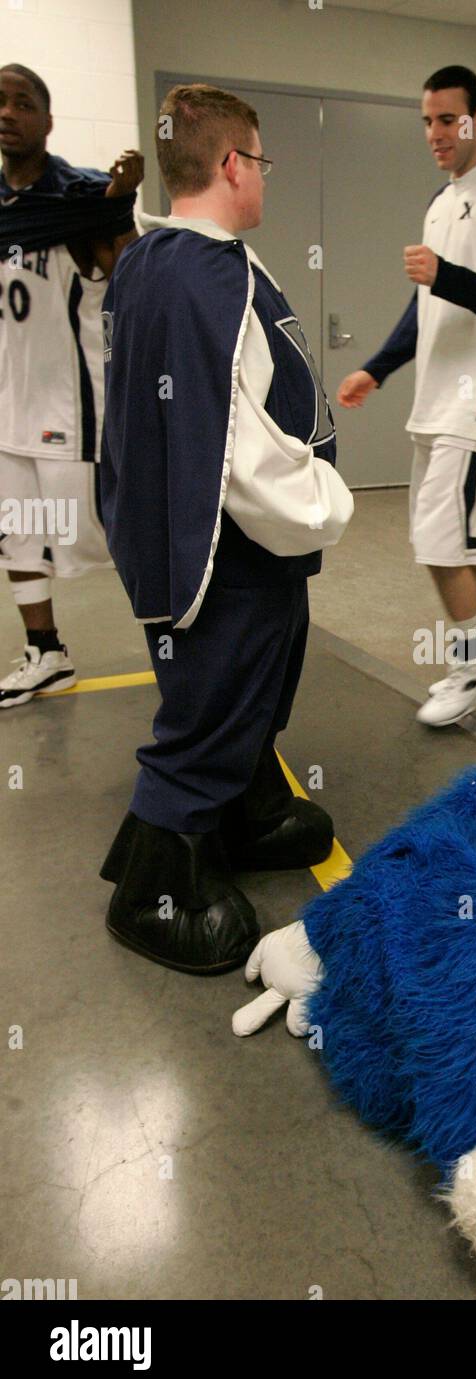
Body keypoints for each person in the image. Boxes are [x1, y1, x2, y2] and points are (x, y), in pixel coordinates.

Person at [97, 83, 353, 975]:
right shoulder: (213, 278)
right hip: (231, 548)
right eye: (263, 163)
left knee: (250, 692)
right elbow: (234, 450)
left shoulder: (153, 261)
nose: (264, 182)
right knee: (209, 710)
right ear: (234, 163)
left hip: (199, 541)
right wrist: (326, 501)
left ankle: (244, 815)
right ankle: (153, 892)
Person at [336, 64, 476, 727]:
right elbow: (425, 302)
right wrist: (377, 367)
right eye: (426, 119)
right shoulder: (441, 198)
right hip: (438, 400)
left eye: (447, 119)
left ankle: (470, 667)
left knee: (438, 542)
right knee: (469, 544)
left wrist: (447, 275)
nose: (435, 132)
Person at [0, 63, 141, 707]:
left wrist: (118, 210)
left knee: (116, 539)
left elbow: (133, 273)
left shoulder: (84, 198)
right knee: (20, 537)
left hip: (73, 414)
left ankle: (184, 641)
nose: (7, 113)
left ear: (48, 121)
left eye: (22, 103)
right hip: (9, 413)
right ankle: (47, 652)